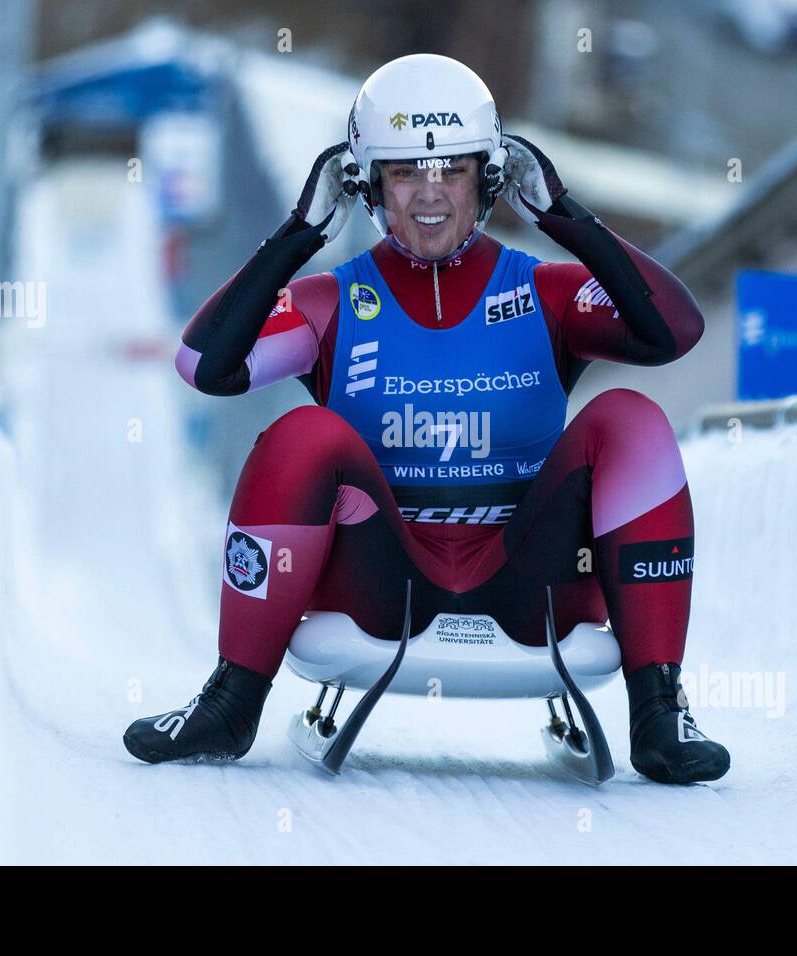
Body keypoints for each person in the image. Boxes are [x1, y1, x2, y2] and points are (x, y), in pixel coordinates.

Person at [124, 54, 729, 784]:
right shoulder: (333, 301)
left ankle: (660, 713)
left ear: (489, 178)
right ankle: (230, 700)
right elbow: (204, 366)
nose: (432, 195)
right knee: (301, 435)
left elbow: (675, 332)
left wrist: (565, 218)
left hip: (528, 582)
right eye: (408, 172)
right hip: (383, 585)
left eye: (455, 170)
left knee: (631, 419)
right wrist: (298, 235)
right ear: (372, 186)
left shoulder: (543, 291)